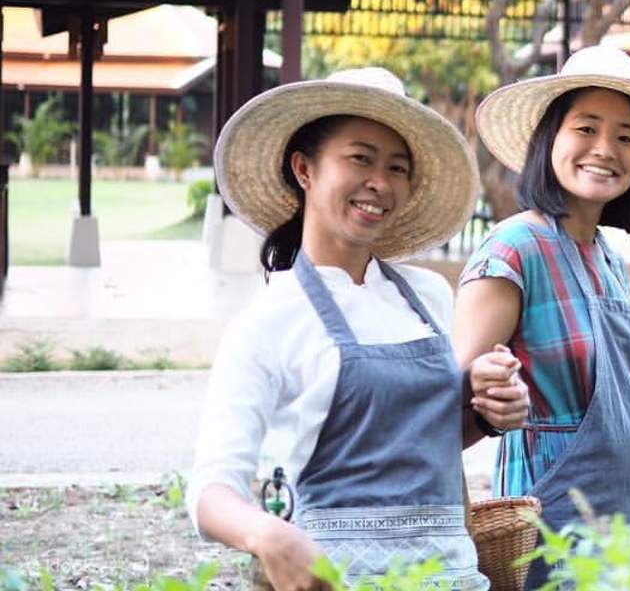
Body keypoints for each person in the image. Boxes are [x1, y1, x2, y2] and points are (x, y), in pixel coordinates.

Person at [186, 68, 529, 590]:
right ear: (304, 169)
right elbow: (211, 490)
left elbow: (418, 443)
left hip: (450, 575)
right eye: (360, 158)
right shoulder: (270, 320)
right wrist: (266, 535)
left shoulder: (429, 295)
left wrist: (490, 412)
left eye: (397, 167)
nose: (381, 183)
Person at [459, 46, 630, 588]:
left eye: (625, 137)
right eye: (586, 129)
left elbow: (598, 372)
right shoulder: (514, 251)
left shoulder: (605, 255)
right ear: (549, 139)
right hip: (550, 521)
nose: (606, 149)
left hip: (624, 517)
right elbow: (451, 401)